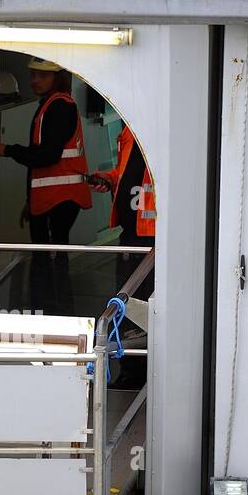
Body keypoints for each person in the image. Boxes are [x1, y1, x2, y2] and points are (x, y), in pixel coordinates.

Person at [0, 60, 92, 314]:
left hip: (58, 198)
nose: (34, 80)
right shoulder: (55, 104)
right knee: (52, 260)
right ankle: (53, 316)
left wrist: (8, 151)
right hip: (53, 197)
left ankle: (55, 318)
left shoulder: (58, 107)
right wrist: (31, 200)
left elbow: (47, 156)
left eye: (42, 76)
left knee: (50, 261)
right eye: (33, 75)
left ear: (57, 77)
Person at [91, 124, 155, 387]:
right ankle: (131, 372)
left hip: (155, 237)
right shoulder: (131, 130)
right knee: (127, 306)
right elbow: (129, 174)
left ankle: (143, 373)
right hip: (131, 235)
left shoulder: (169, 126)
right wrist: (111, 178)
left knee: (146, 310)